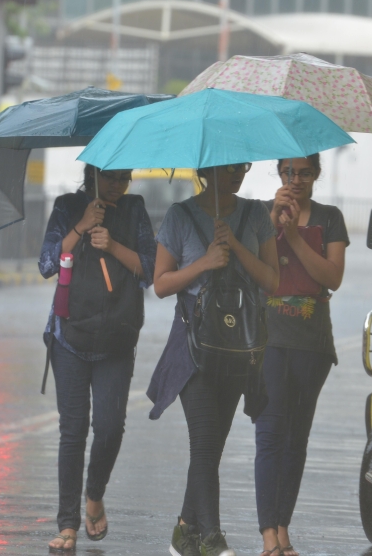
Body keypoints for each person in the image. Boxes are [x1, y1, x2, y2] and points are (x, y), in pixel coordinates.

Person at [148, 164, 279, 556]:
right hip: (194, 350)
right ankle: (213, 540)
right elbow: (159, 284)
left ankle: (185, 531)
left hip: (239, 349)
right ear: (206, 169)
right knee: (204, 444)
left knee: (211, 448)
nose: (238, 172)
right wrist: (204, 263)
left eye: (243, 165)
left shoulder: (255, 214)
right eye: (228, 166)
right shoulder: (181, 216)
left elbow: (273, 281)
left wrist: (236, 246)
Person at [38, 165, 156, 552]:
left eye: (125, 178)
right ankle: (68, 522)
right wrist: (81, 226)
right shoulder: (67, 206)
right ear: (92, 174)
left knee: (109, 428)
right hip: (69, 337)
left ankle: (95, 493)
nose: (119, 186)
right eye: (111, 177)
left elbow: (150, 271)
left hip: (117, 340)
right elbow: (47, 265)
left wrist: (112, 245)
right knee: (73, 431)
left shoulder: (134, 209)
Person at [254, 155, 349, 556]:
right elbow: (251, 268)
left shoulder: (330, 217)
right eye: (288, 173)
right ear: (278, 174)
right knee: (270, 434)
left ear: (316, 175)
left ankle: (283, 526)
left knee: (296, 438)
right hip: (268, 340)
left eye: (304, 173)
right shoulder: (261, 214)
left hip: (311, 343)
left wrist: (293, 236)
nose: (295, 180)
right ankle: (267, 535)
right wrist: (274, 222)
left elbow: (332, 277)